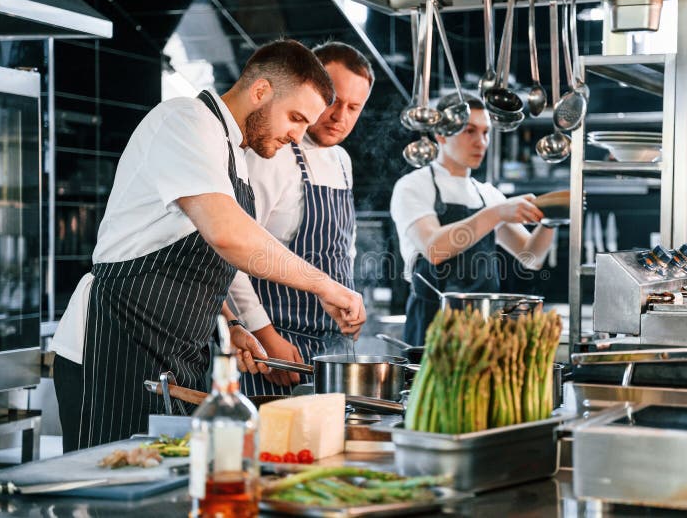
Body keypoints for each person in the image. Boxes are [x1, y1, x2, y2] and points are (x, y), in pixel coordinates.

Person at [50, 39, 366, 451]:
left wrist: (232, 324)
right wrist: (325, 285)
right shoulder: (183, 120)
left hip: (177, 353)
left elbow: (187, 249)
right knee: (115, 490)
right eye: (295, 118)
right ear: (260, 91)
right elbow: (226, 235)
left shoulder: (232, 151)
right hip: (114, 345)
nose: (296, 136)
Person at [227, 42, 373, 394]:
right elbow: (232, 255)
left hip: (331, 348)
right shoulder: (270, 154)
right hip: (274, 350)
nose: (341, 116)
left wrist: (349, 301)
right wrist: (265, 336)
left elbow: (341, 251)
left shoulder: (342, 161)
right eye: (334, 101)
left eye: (354, 108)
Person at [390, 92, 554, 346]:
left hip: (484, 328)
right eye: (470, 131)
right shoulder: (413, 186)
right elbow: (434, 249)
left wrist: (551, 219)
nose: (482, 142)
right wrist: (497, 213)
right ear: (441, 134)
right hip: (432, 327)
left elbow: (530, 257)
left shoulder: (487, 193)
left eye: (486, 132)